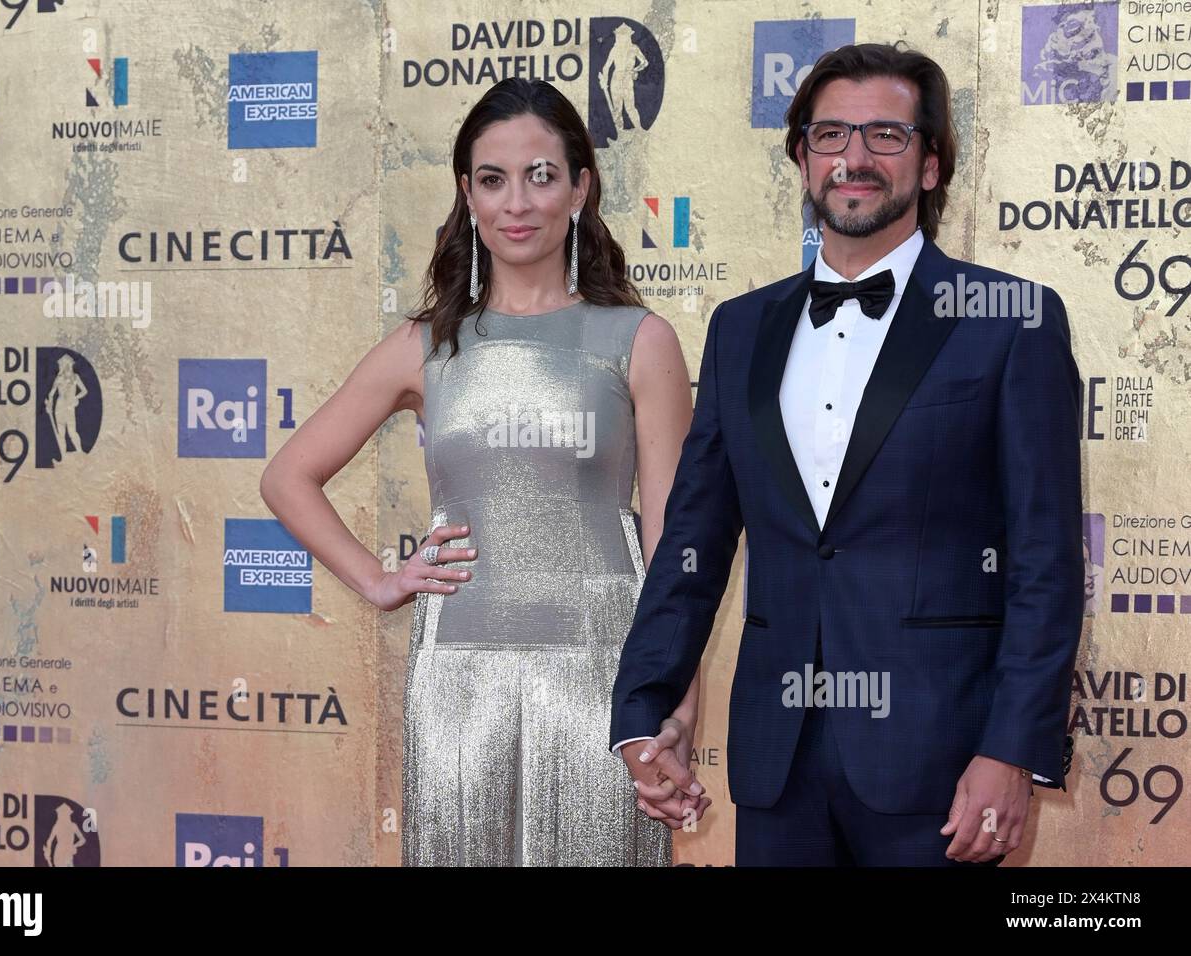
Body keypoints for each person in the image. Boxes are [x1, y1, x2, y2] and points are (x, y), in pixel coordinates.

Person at [610, 42, 1084, 866]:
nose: (854, 158)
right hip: (775, 760)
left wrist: (1011, 751)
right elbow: (694, 540)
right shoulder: (740, 328)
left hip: (943, 766)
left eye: (887, 136)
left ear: (932, 164)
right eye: (829, 135)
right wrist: (645, 711)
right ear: (801, 158)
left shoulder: (1012, 321)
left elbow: (1044, 558)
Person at [260, 77, 709, 866]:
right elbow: (288, 476)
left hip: (604, 676)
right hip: (457, 680)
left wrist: (678, 707)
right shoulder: (425, 345)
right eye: (493, 180)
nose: (518, 202)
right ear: (467, 194)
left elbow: (678, 547)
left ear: (580, 187)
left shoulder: (640, 339)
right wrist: (379, 580)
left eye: (541, 175)